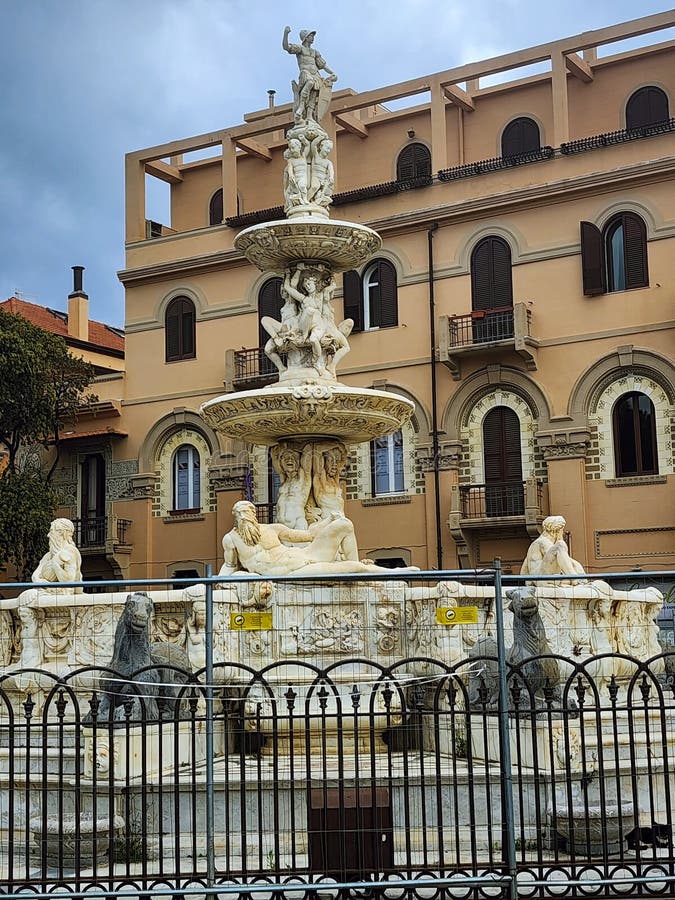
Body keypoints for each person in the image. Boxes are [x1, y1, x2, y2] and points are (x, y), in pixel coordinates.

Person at [219, 500, 416, 577]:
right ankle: (397, 572)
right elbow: (229, 567)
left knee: (345, 525)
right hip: (292, 572)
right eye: (241, 513)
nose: (245, 515)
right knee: (355, 568)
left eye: (247, 511)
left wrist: (330, 518)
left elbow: (309, 535)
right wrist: (215, 585)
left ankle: (384, 572)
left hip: (304, 555)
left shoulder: (273, 528)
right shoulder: (231, 539)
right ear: (236, 517)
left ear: (253, 514)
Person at [282, 27, 337, 123]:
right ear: (305, 38)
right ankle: (301, 106)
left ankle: (309, 116)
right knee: (310, 82)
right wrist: (286, 34)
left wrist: (332, 73)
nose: (313, 38)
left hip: (315, 74)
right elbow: (286, 47)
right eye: (310, 36)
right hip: (305, 73)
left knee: (313, 94)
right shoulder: (300, 49)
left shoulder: (315, 52)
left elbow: (323, 65)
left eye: (312, 36)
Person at [520, 515, 586, 578]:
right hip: (541, 577)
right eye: (562, 530)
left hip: (541, 577)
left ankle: (577, 578)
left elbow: (523, 571)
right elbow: (558, 559)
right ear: (556, 531)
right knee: (560, 545)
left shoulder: (538, 543)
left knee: (572, 562)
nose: (562, 533)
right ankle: (574, 578)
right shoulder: (543, 542)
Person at [32, 518, 82, 592]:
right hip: (47, 591)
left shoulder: (70, 552)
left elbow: (69, 583)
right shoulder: (48, 556)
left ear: (62, 533)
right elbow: (34, 576)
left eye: (51, 531)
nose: (48, 535)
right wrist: (42, 583)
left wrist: (55, 565)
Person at [271, 442, 313, 529]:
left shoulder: (303, 479)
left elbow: (308, 451)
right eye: (286, 458)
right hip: (280, 525)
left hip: (297, 525)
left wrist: (292, 445)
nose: (289, 460)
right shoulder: (284, 481)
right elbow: (274, 457)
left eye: (293, 458)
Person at [312, 441, 347, 519]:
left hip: (340, 516)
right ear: (324, 463)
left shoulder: (335, 481)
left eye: (336, 462)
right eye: (330, 461)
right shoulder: (320, 480)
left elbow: (343, 460)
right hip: (328, 518)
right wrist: (335, 444)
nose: (334, 464)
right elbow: (317, 449)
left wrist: (341, 448)